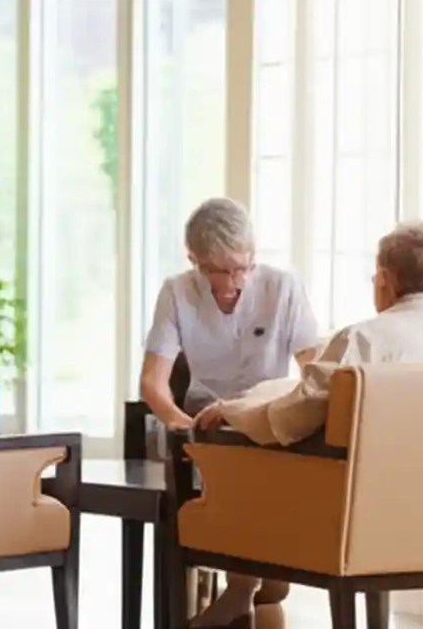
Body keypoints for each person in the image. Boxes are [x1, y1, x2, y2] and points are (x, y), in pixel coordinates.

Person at [187, 218, 423, 628]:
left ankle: (242, 590)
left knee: (256, 449)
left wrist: (232, 411)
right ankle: (246, 592)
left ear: (385, 279)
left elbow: (287, 421)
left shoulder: (363, 340)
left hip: (361, 521)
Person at [139, 198, 320, 629]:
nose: (235, 281)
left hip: (266, 409)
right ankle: (258, 578)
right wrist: (180, 423)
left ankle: (244, 586)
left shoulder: (282, 287)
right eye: (221, 270)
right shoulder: (178, 292)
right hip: (208, 414)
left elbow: (313, 370)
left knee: (260, 449)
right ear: (195, 261)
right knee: (230, 454)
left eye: (244, 267)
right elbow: (152, 382)